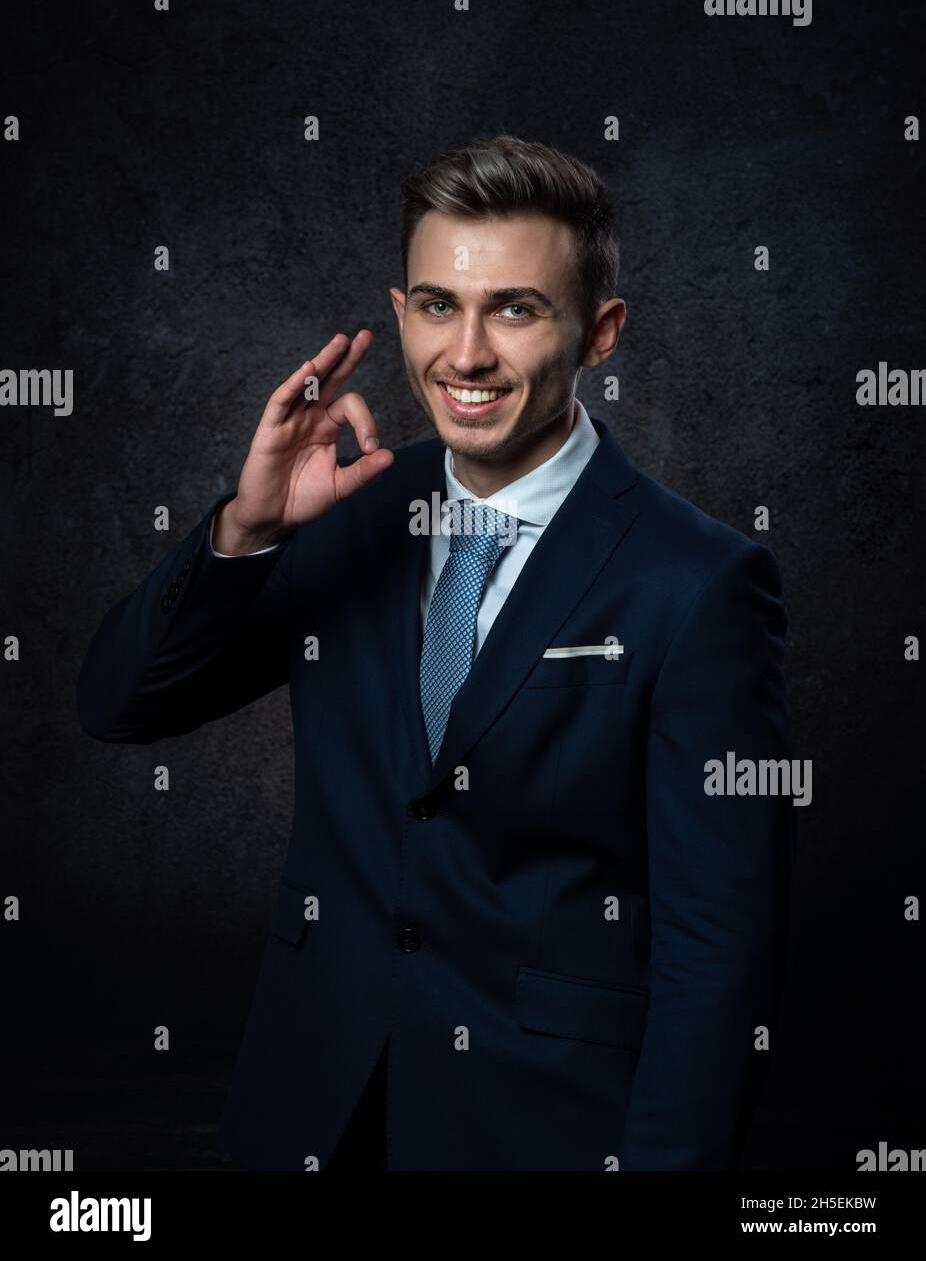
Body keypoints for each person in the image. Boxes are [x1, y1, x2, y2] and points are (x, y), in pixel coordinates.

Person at [78, 135, 795, 1171]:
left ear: (599, 333)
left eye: (514, 308)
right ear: (400, 308)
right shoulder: (347, 509)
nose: (462, 355)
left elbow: (718, 954)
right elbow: (118, 703)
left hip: (543, 1129)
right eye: (434, 305)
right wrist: (247, 529)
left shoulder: (699, 584)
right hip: (308, 1110)